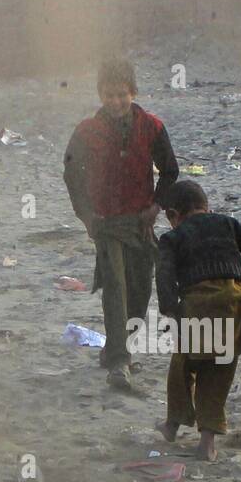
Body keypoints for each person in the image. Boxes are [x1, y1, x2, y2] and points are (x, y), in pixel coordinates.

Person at [64, 58, 179, 390]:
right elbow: (71, 173)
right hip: (106, 223)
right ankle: (119, 361)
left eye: (121, 94)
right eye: (109, 95)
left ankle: (119, 349)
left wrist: (156, 207)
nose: (115, 102)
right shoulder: (88, 131)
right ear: (100, 94)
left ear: (133, 92)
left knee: (140, 288)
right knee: (115, 286)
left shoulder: (152, 127)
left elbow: (170, 171)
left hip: (140, 223)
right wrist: (86, 216)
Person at [154, 180, 241, 462]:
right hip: (235, 301)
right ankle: (207, 444)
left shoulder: (172, 238)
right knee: (220, 367)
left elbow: (164, 276)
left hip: (198, 303)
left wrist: (170, 310)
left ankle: (172, 424)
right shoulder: (228, 224)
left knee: (184, 364)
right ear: (207, 207)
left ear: (173, 215)